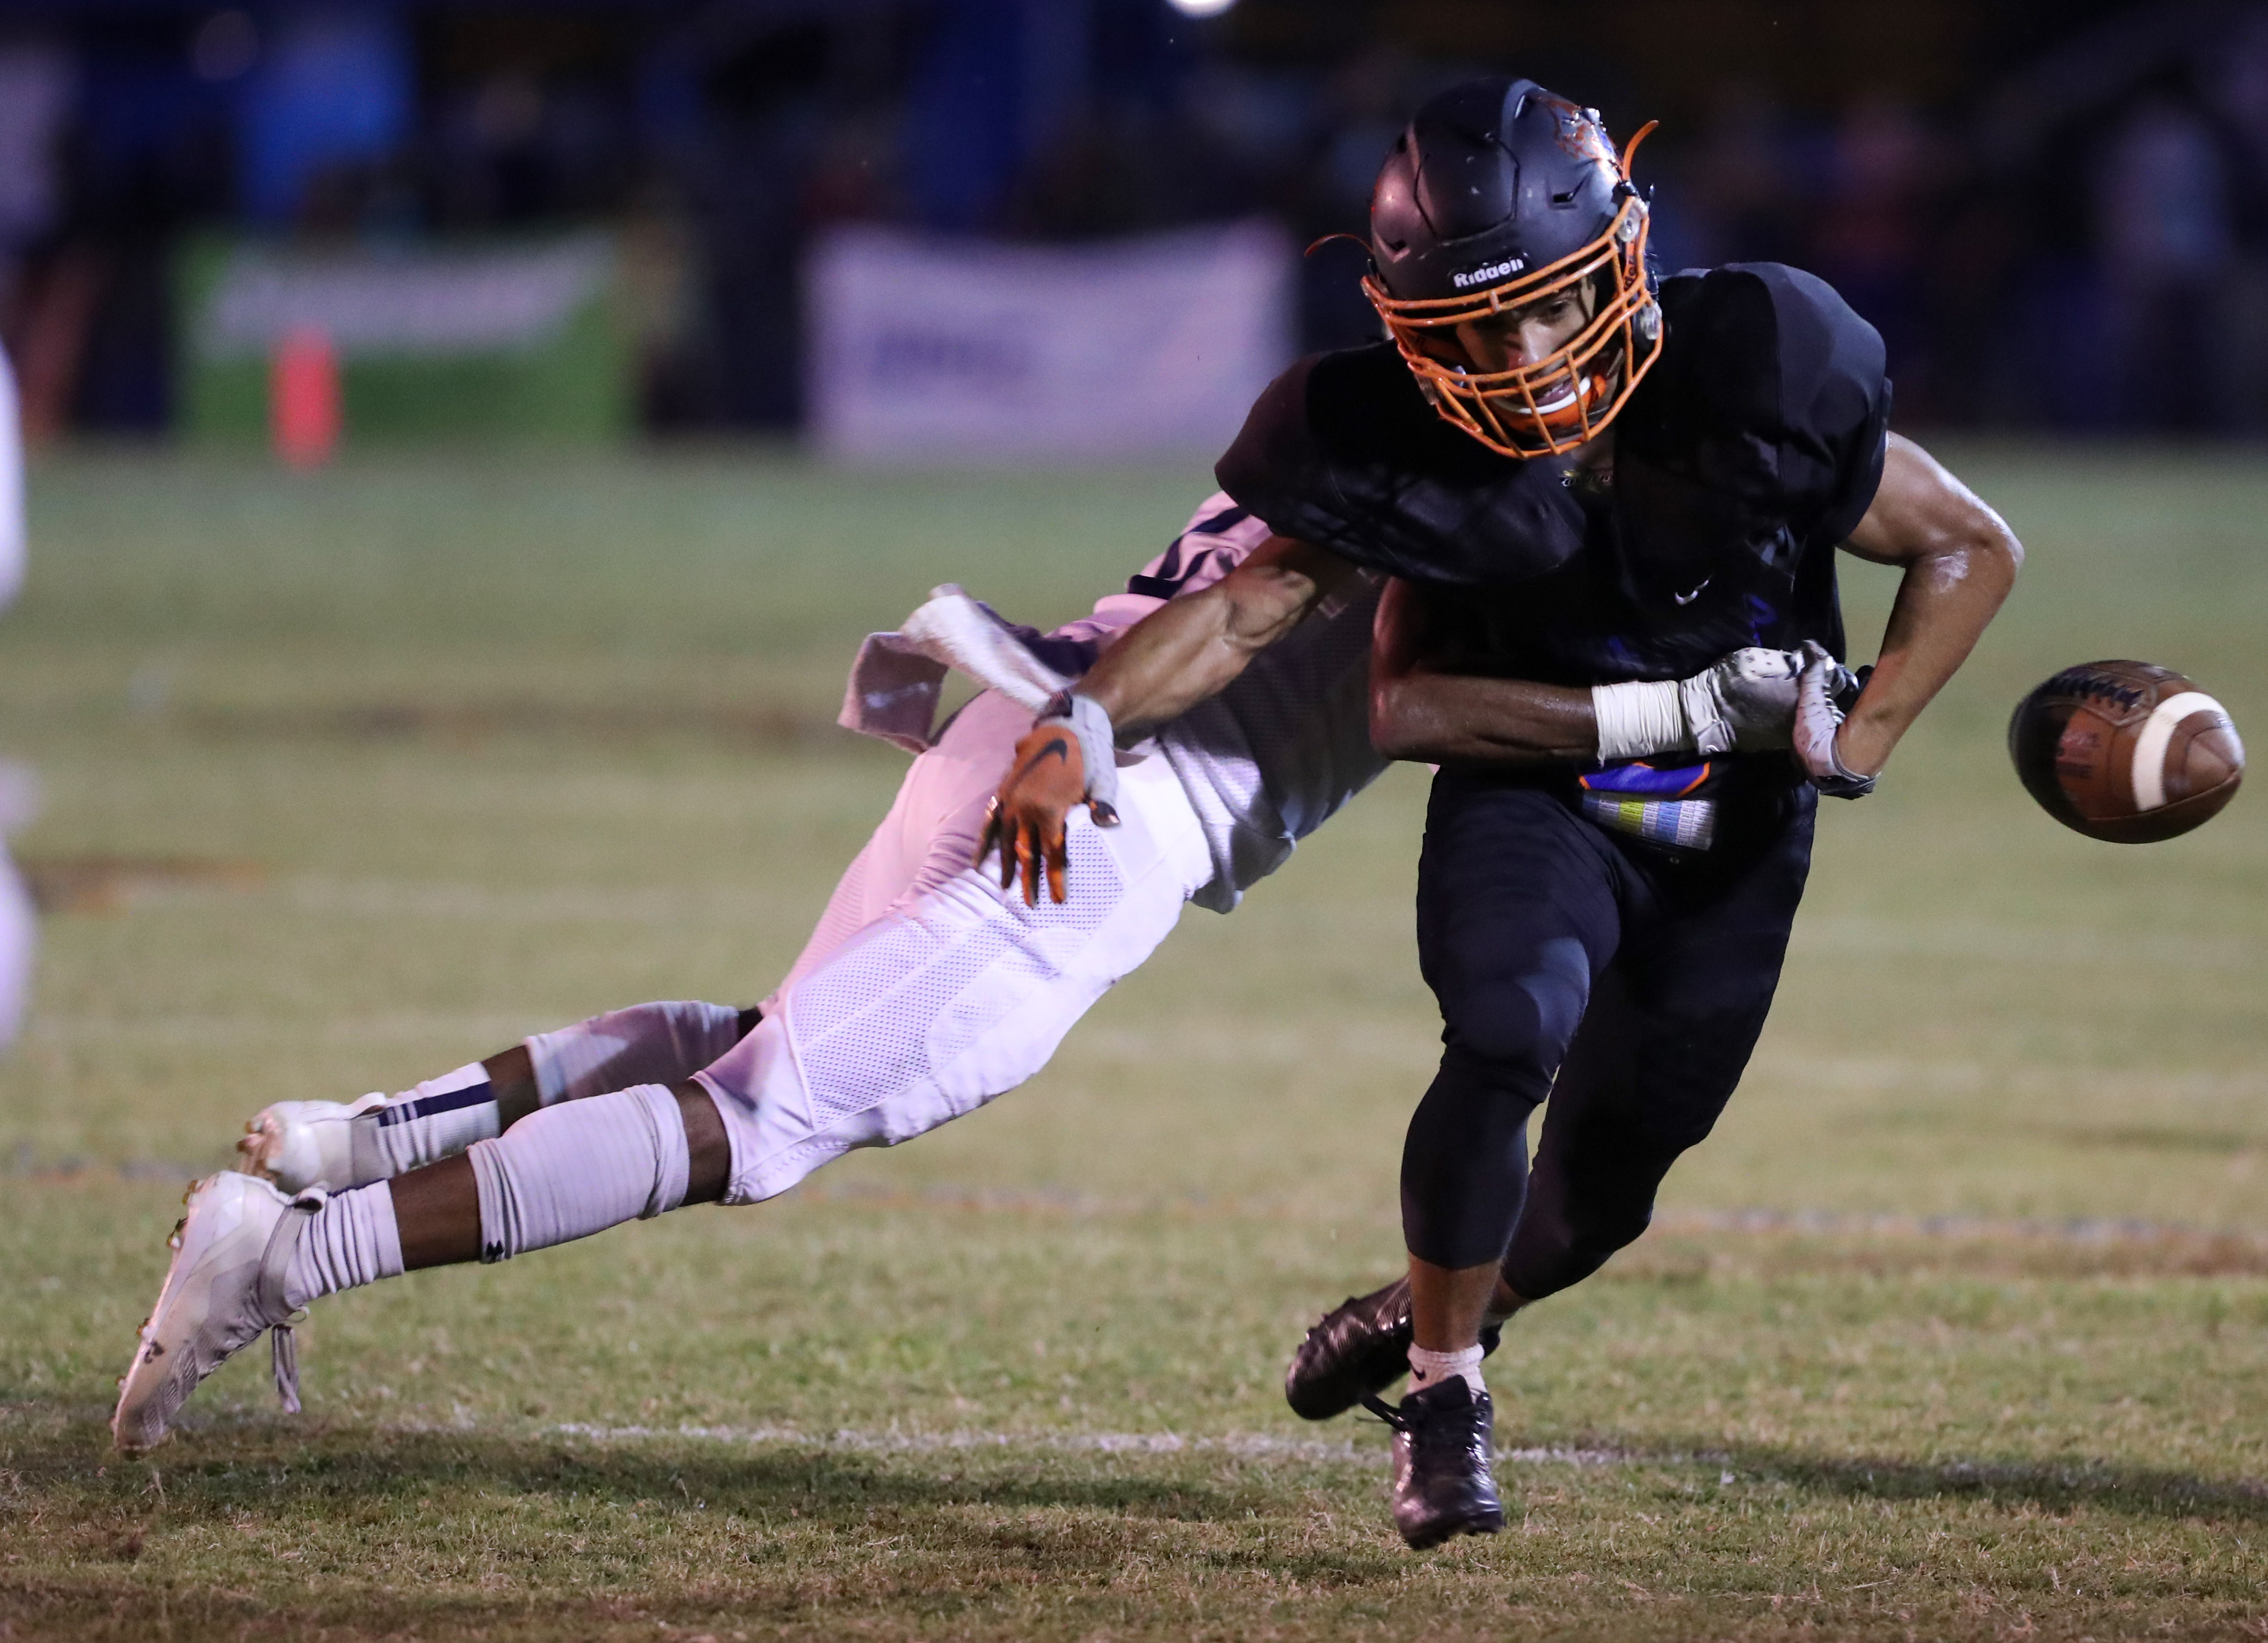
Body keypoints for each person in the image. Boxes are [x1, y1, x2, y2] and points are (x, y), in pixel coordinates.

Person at [107, 488, 1807, 1453]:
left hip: (1029, 712)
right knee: (759, 1119)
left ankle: (362, 1140)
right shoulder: (1475, 471)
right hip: (1102, 810)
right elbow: (1380, 679)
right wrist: (1679, 714)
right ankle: (292, 1251)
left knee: (762, 1049)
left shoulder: (1362, 412)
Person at [981, 78, 2022, 1549]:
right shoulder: (1403, 442)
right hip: (1538, 797)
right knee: (1506, 1026)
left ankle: (1429, 1302)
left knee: (1603, 1198)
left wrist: (1861, 737)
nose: (1522, 363)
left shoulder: (1759, 368)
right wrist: (1077, 721)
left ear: (1621, 258)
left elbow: (1971, 545)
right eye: (1471, 332)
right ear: (1407, 328)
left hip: (1730, 845)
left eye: (1545, 308)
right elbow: (1318, 657)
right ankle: (1445, 1389)